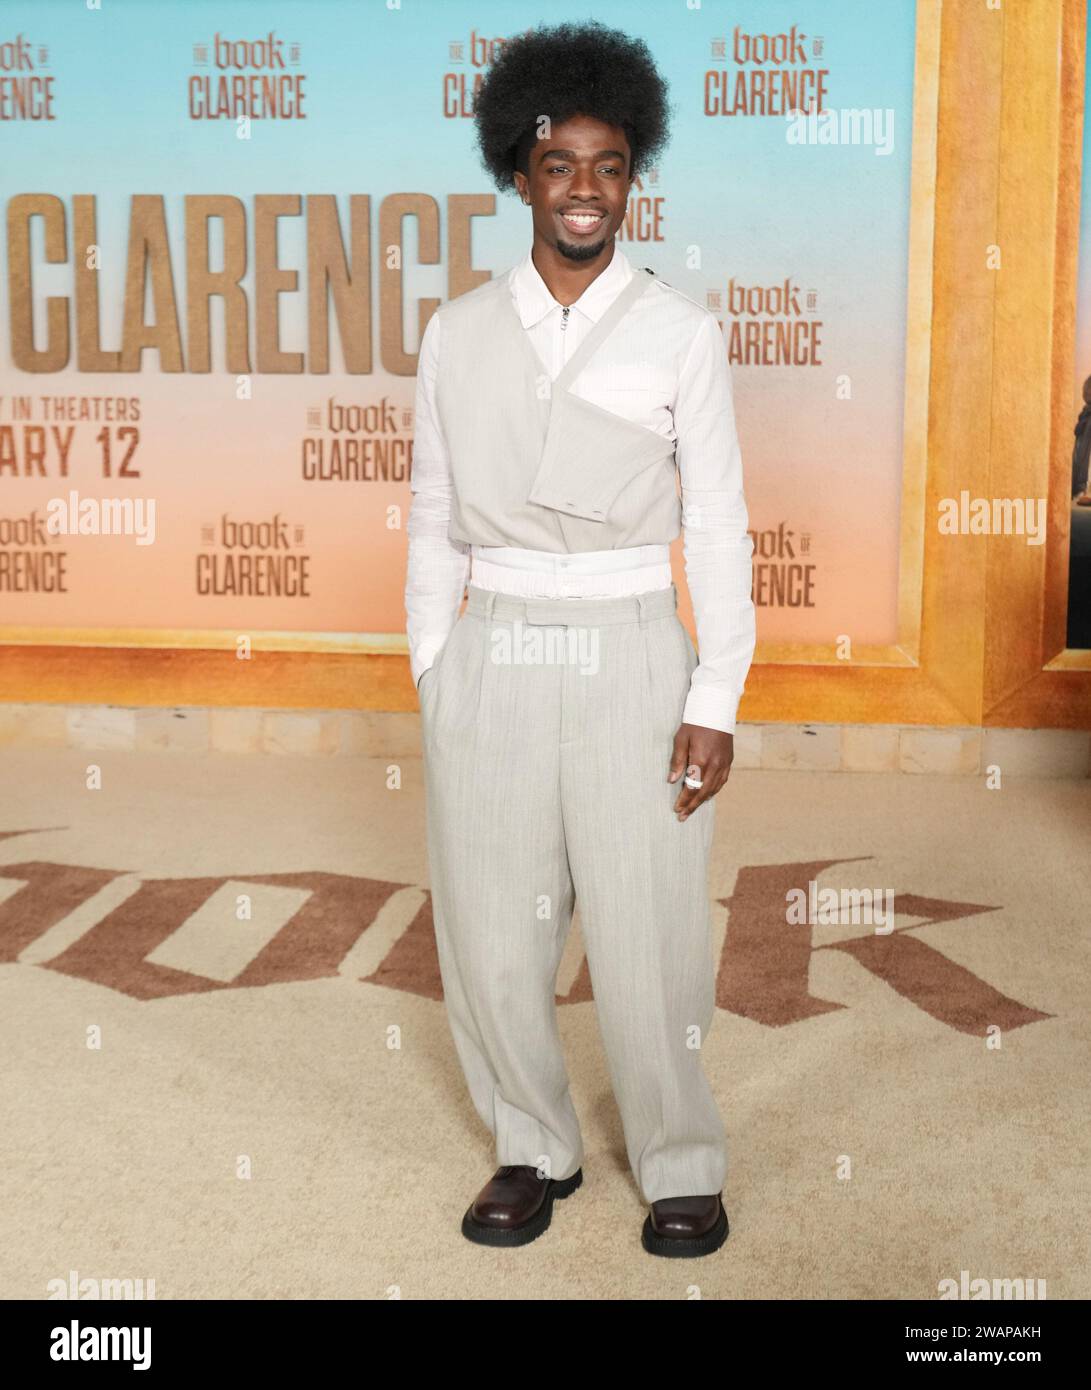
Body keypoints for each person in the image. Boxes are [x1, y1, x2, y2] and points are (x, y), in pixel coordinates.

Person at [404, 20, 756, 1259]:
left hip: (628, 642)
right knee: (491, 923)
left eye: (610, 166)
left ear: (632, 177)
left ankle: (680, 1158)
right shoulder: (453, 334)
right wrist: (435, 669)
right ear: (519, 172)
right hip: (492, 642)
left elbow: (715, 523)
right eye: (561, 165)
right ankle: (529, 1145)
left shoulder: (679, 332)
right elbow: (433, 518)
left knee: (650, 918)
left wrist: (713, 693)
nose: (586, 190)